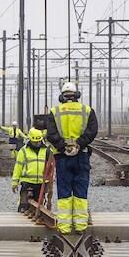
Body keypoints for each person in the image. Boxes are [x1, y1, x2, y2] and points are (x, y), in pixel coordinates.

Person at [44, 82, 98, 233]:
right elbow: (92, 131)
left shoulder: (55, 112)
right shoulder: (87, 111)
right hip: (81, 156)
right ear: (77, 95)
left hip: (62, 157)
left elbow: (51, 134)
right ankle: (80, 226)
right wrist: (79, 144)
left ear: (62, 96)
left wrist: (63, 147)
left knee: (64, 190)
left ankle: (65, 227)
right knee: (81, 190)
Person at [12, 128, 49, 213]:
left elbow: (51, 167)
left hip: (41, 183)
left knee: (40, 207)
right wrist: (14, 183)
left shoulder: (47, 151)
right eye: (35, 142)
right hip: (27, 182)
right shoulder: (23, 151)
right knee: (24, 204)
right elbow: (18, 167)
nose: (37, 143)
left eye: (39, 141)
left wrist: (49, 182)